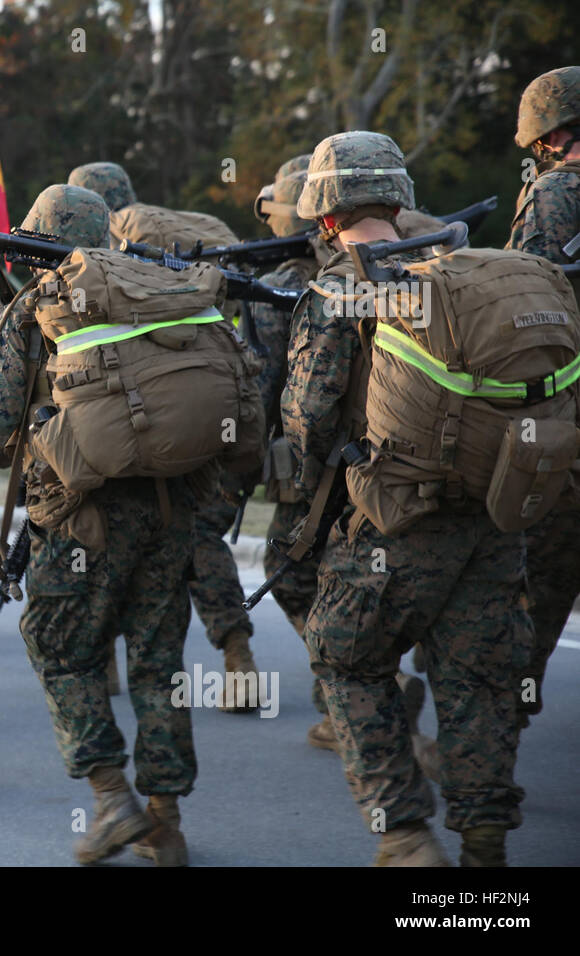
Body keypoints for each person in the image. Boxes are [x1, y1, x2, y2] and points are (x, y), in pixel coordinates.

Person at [0, 184, 254, 864]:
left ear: (37, 238)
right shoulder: (165, 288)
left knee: (57, 643)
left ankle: (110, 798)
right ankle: (167, 823)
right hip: (173, 509)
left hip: (83, 517)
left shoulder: (37, 302)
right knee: (159, 663)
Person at [285, 131, 535, 866]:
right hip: (493, 515)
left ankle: (402, 834)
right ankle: (484, 844)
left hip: (393, 522)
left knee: (343, 657)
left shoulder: (337, 289)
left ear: (325, 215)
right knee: (479, 681)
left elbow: (306, 418)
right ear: (398, 201)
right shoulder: (466, 273)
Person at [69, 161, 258, 709]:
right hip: (228, 396)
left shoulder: (117, 240)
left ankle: (229, 657)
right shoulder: (190, 226)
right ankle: (234, 657)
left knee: (130, 532)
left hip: (158, 412)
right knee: (195, 535)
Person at [507, 66, 580, 730]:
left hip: (566, 424)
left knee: (534, 588)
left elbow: (527, 307)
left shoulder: (557, 193)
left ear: (552, 133)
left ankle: (491, 745)